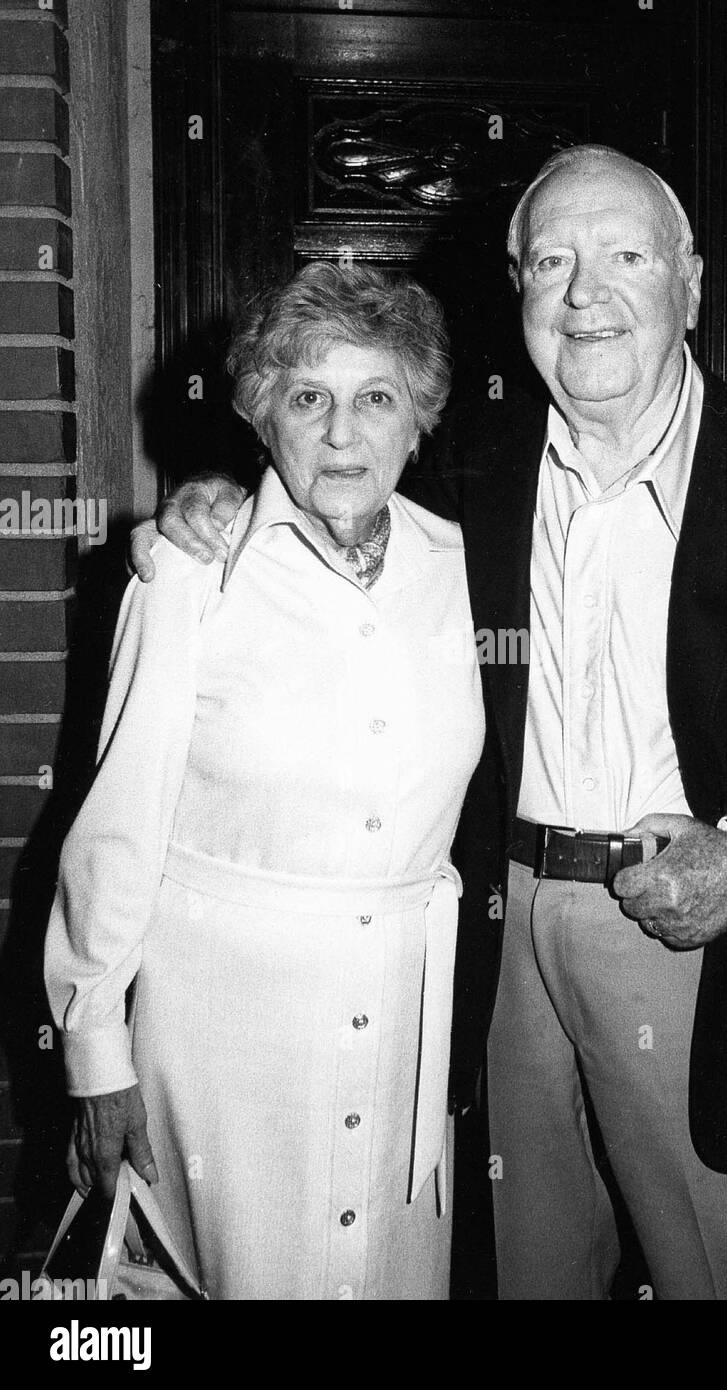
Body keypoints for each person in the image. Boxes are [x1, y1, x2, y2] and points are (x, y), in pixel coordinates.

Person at [132, 145, 727, 1300]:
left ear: (691, 283)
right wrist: (206, 509)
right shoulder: (473, 465)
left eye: (623, 255)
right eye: (550, 260)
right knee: (528, 1270)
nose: (583, 293)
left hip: (699, 934)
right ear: (516, 291)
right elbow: (330, 489)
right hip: (497, 936)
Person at [46, 262, 485, 1300]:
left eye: (375, 398)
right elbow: (115, 828)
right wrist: (96, 1051)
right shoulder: (189, 573)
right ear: (260, 418)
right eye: (307, 397)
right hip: (219, 1034)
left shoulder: (467, 567)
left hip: (402, 1017)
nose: (341, 433)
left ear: (418, 422)